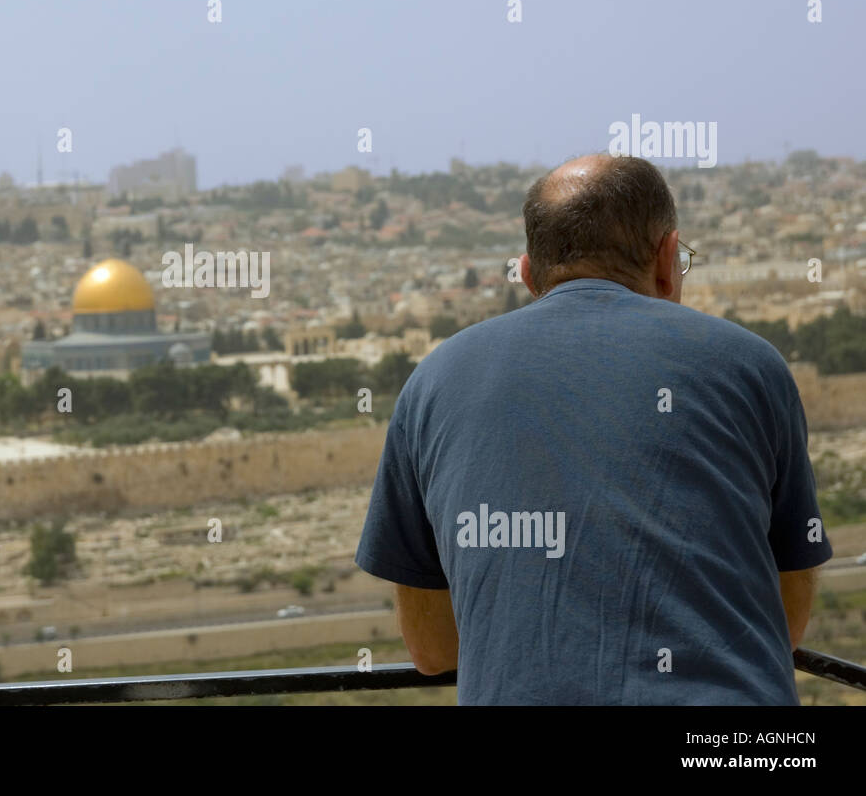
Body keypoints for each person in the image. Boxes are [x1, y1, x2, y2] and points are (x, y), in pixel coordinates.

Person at [355, 153, 832, 704]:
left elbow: (432, 650)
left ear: (529, 274)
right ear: (668, 257)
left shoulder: (432, 382)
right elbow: (787, 621)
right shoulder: (751, 364)